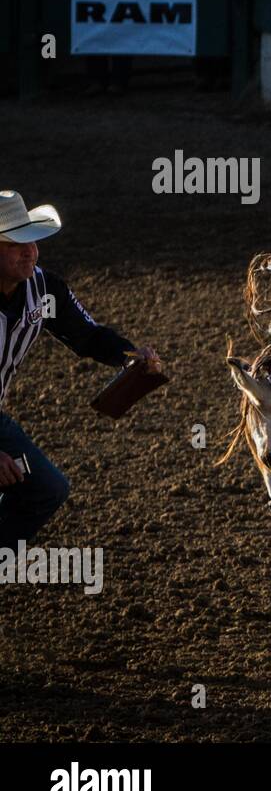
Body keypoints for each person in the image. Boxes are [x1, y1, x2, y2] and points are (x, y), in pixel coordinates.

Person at [0, 191, 163, 550]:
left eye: (32, 241)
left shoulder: (44, 290)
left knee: (46, 488)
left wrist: (129, 355)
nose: (30, 251)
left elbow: (87, 336)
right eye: (15, 244)